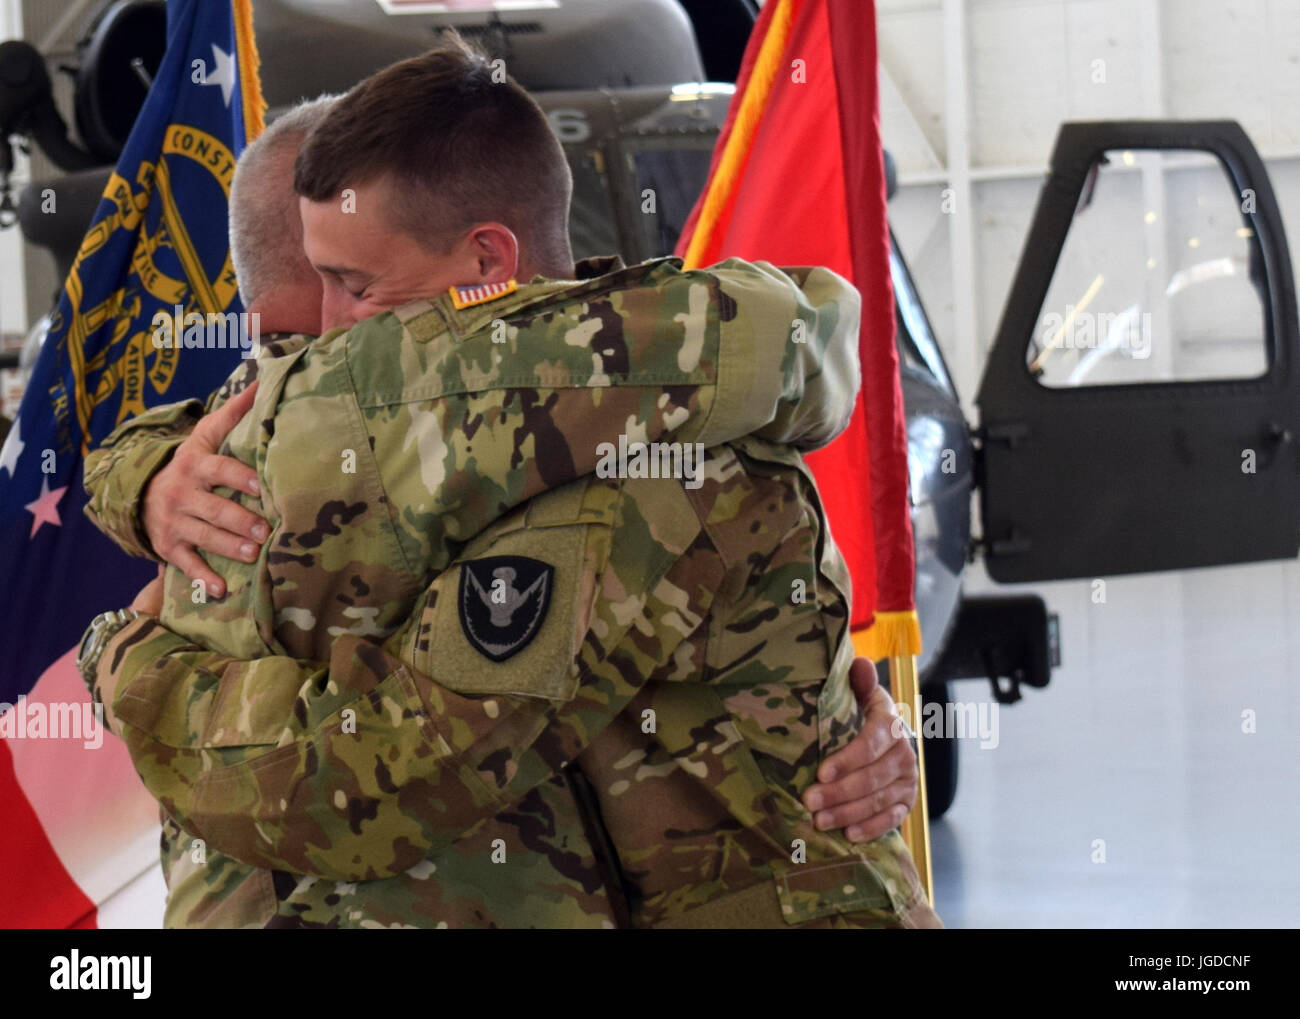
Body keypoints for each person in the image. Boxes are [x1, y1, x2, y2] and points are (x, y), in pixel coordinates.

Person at [80, 39, 937, 928]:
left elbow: (379, 780)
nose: (334, 347)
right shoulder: (497, 440)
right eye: (298, 338)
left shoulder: (634, 467)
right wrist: (144, 479)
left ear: (488, 264)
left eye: (357, 290)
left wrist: (124, 661)